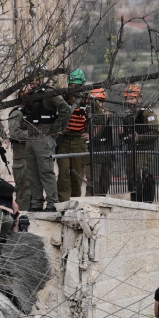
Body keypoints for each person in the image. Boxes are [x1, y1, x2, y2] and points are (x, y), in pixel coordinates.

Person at [19, 68, 71, 212]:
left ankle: (52, 203)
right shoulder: (30, 95)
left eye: (35, 78)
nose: (32, 81)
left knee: (46, 172)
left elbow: (65, 109)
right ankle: (36, 202)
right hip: (30, 137)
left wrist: (56, 129)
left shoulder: (49, 93)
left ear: (41, 79)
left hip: (44, 137)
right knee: (32, 174)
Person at [119, 84, 159, 202]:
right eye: (127, 99)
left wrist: (139, 137)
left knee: (142, 177)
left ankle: (145, 203)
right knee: (132, 180)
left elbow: (155, 133)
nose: (129, 102)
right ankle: (135, 202)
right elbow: (126, 138)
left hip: (144, 151)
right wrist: (121, 134)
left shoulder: (147, 113)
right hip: (131, 152)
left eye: (132, 98)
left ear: (139, 98)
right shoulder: (127, 115)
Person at [55, 69, 90, 203]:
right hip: (63, 139)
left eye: (76, 85)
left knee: (76, 174)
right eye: (71, 85)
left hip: (78, 140)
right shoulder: (62, 98)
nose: (73, 88)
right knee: (63, 172)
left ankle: (75, 201)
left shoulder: (88, 100)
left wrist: (91, 134)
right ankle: (63, 201)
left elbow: (100, 118)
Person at [87, 87, 115, 196]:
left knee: (105, 184)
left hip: (107, 154)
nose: (99, 104)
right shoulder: (88, 115)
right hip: (94, 155)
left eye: (101, 101)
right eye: (96, 101)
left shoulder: (108, 115)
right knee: (93, 185)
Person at [7, 101, 34, 211]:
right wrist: (35, 133)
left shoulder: (33, 111)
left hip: (34, 157)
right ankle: (22, 215)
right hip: (22, 157)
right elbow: (14, 133)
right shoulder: (17, 113)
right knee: (24, 190)